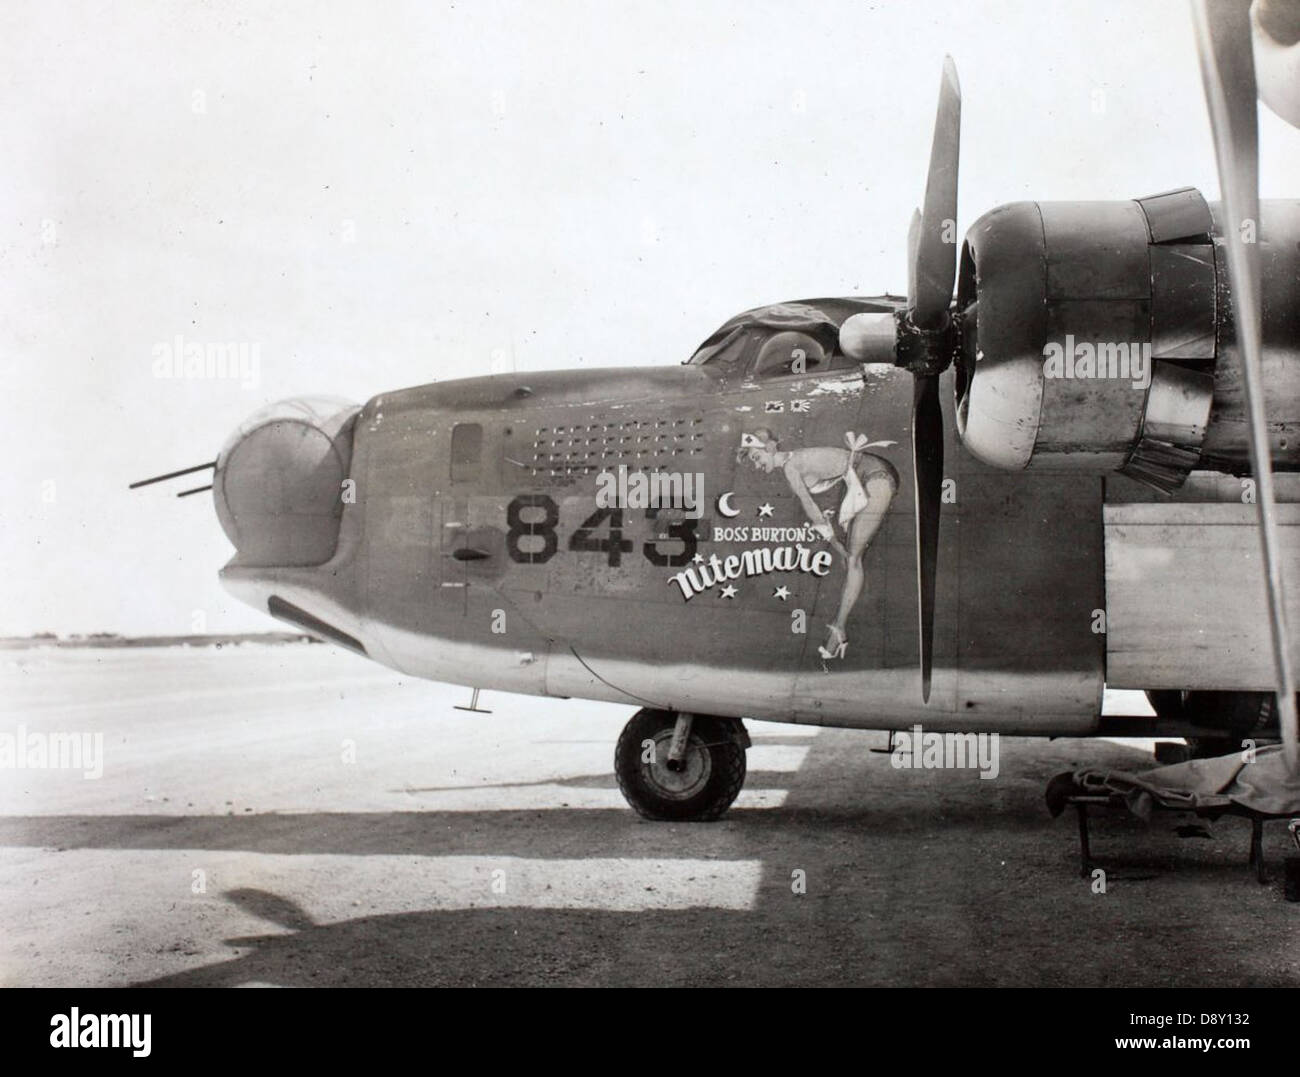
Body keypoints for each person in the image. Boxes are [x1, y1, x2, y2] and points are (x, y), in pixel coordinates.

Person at [737, 428, 898, 662]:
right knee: (850, 559)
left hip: (876, 476)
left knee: (852, 558)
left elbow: (811, 508)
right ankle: (839, 628)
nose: (756, 465)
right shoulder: (793, 461)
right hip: (868, 476)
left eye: (755, 457)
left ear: (770, 448)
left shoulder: (791, 467)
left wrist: (834, 543)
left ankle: (838, 629)